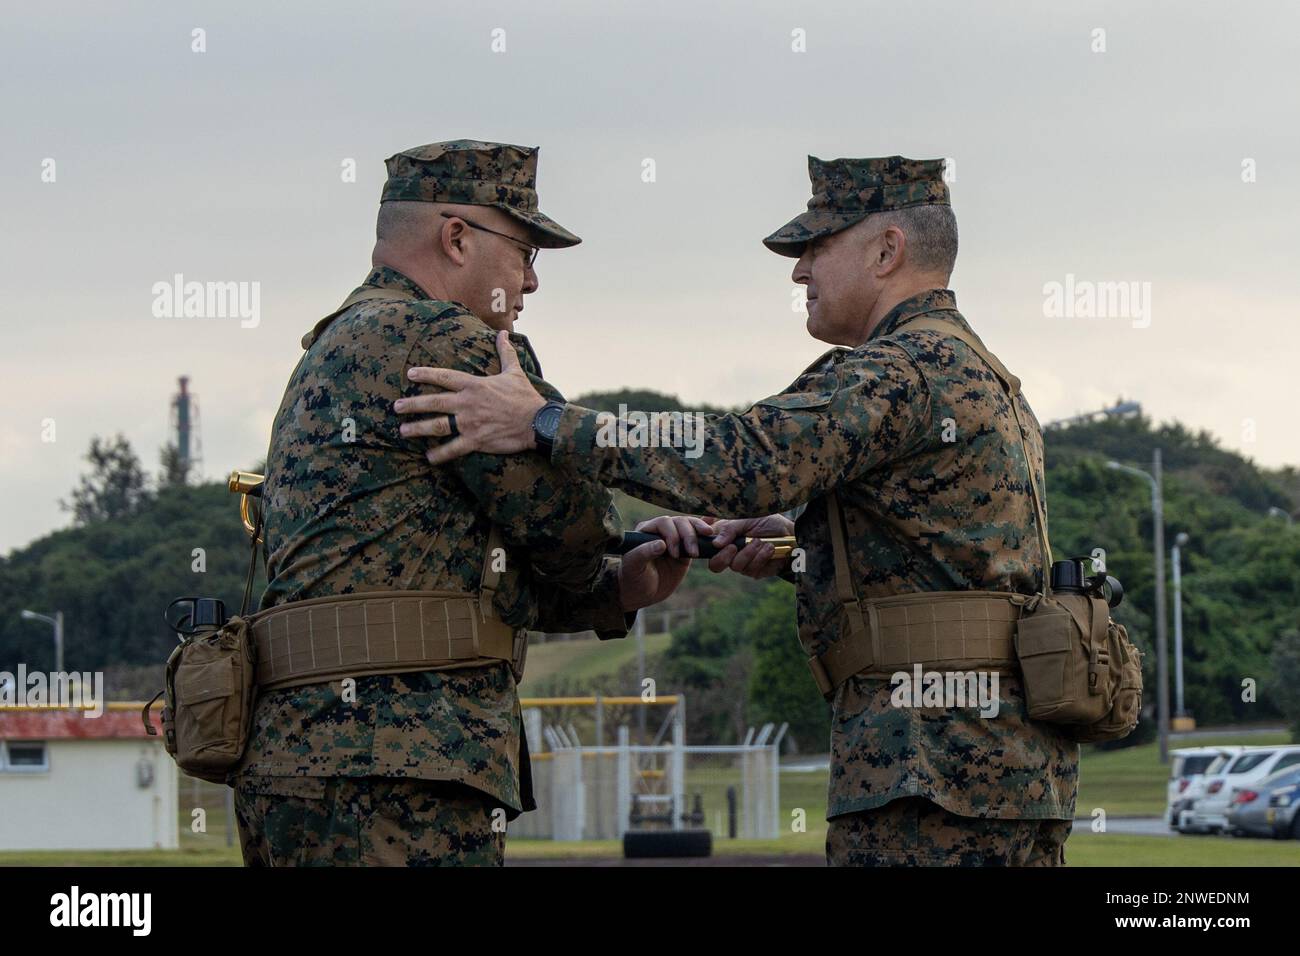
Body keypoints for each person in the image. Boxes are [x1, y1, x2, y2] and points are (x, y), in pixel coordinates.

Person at [394, 154, 1077, 866]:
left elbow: (740, 460)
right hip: (1003, 763)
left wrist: (544, 422)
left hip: (937, 769)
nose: (798, 272)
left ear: (887, 250)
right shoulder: (978, 370)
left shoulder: (899, 371)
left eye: (816, 247)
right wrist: (799, 548)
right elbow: (942, 559)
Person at [232, 139, 689, 866]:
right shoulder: (452, 343)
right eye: (525, 251)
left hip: (295, 760)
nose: (532, 281)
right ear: (456, 238)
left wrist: (615, 591)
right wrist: (608, 542)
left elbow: (420, 578)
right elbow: (572, 532)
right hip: (404, 764)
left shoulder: (327, 349)